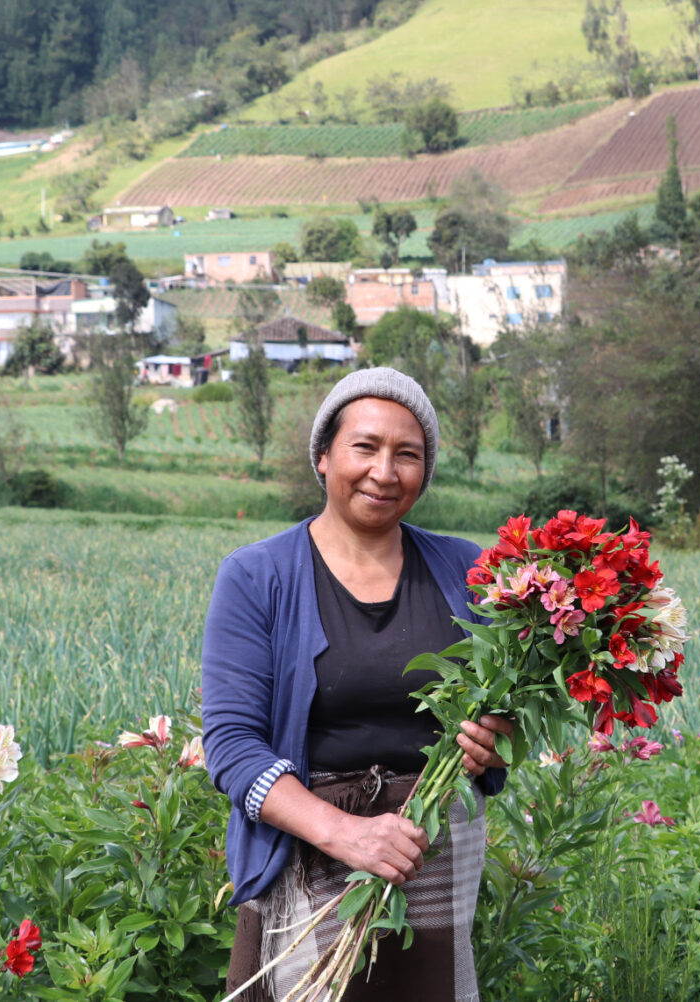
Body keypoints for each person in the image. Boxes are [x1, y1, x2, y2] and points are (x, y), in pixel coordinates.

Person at [202, 367, 513, 1002]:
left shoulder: (467, 569)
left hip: (431, 851)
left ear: (425, 472)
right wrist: (346, 834)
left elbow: (505, 705)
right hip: (311, 852)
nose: (384, 471)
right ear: (323, 456)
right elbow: (231, 745)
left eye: (408, 455)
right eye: (364, 447)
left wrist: (494, 738)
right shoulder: (257, 576)